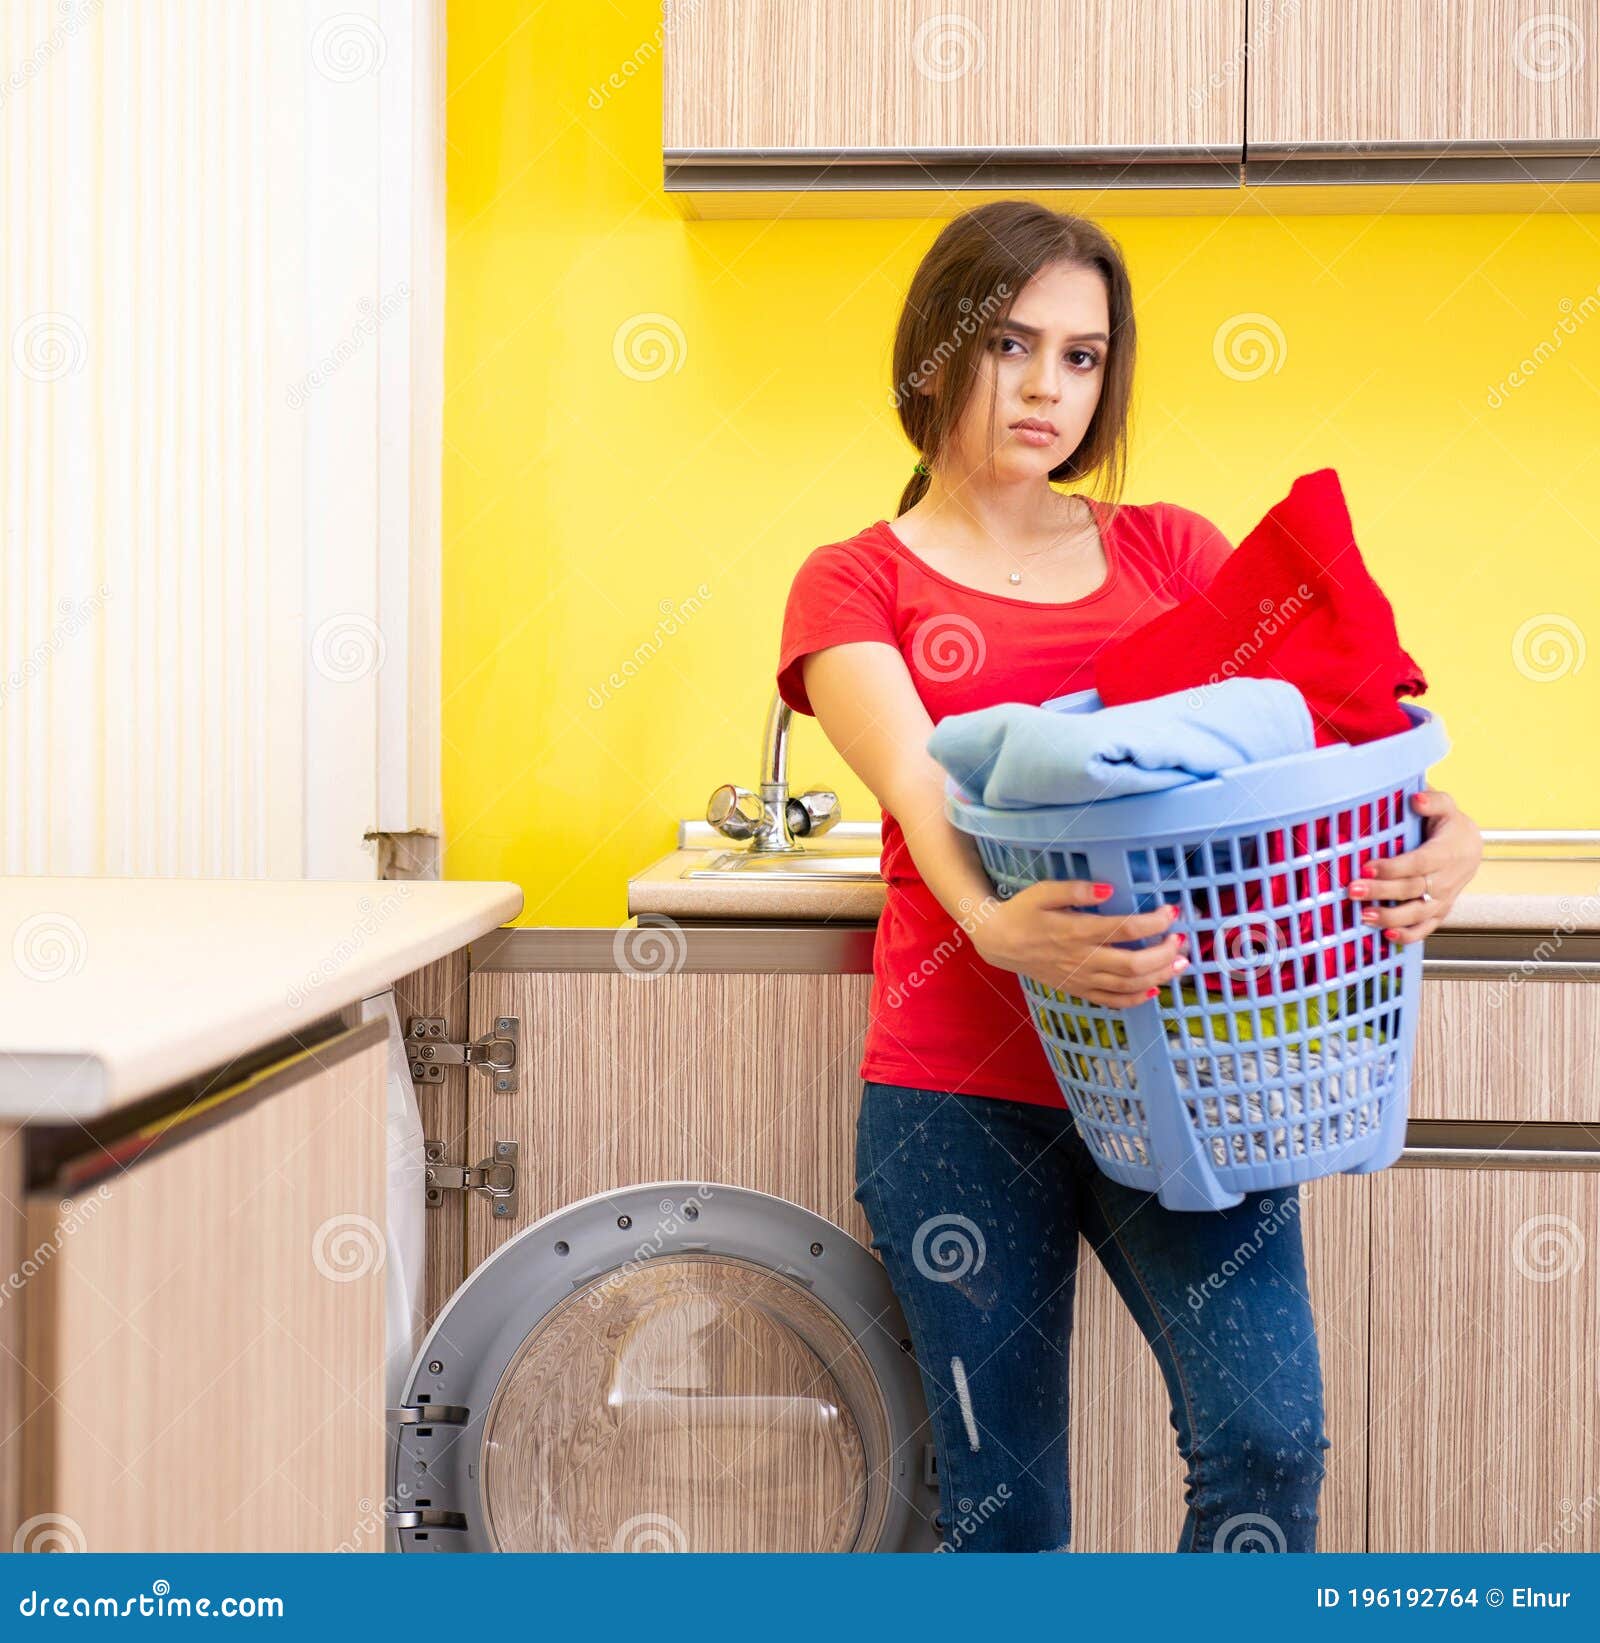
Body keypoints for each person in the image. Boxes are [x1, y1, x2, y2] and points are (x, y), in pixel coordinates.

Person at [775, 200, 1483, 1553]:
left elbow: (1299, 748)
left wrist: (1444, 825)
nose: (1048, 388)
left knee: (1267, 1447)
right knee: (1005, 1516)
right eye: (1010, 344)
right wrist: (992, 923)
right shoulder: (856, 582)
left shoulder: (1168, 552)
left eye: (1084, 357)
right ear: (936, 354)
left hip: (1194, 1074)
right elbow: (925, 785)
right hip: (961, 1096)